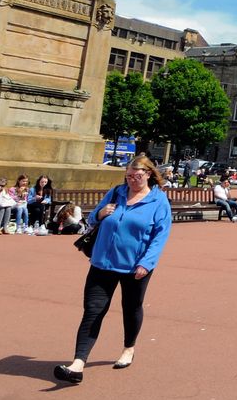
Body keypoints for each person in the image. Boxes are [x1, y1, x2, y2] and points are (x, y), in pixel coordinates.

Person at [53, 155, 172, 385]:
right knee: (93, 310)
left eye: (136, 176)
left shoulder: (158, 201)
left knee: (131, 307)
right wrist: (100, 213)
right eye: (128, 176)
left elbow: (160, 235)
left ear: (148, 174)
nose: (131, 180)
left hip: (135, 266)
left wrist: (146, 263)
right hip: (103, 263)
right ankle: (78, 364)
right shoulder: (117, 192)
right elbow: (92, 219)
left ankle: (129, 348)